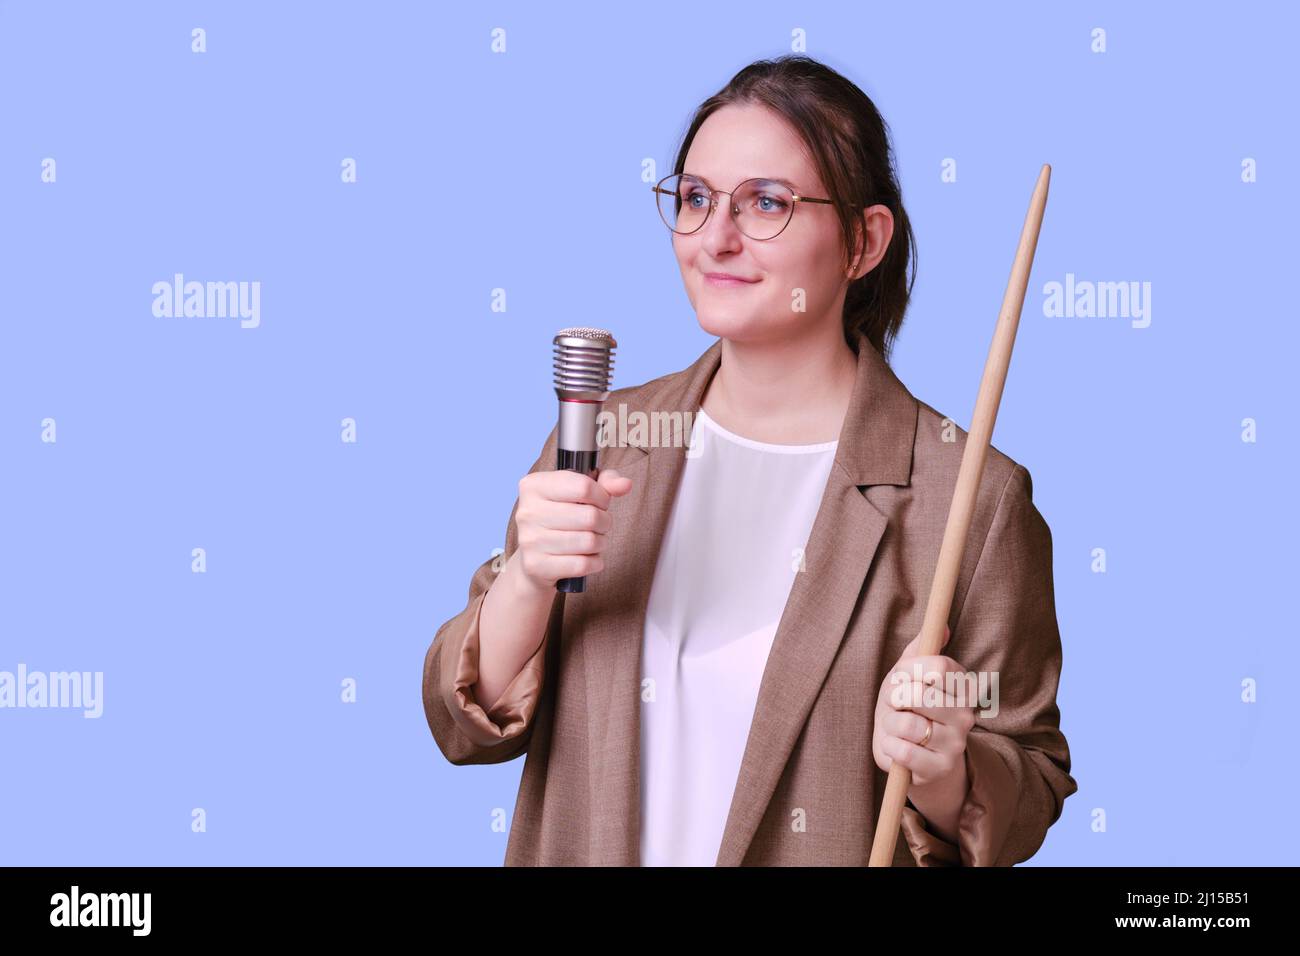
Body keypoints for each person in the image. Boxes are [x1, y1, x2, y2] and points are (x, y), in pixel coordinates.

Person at [423, 54, 1077, 866]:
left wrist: (945, 770)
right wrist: (523, 583)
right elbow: (463, 724)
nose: (716, 238)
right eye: (695, 199)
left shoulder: (970, 496)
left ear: (865, 242)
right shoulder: (603, 436)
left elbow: (1029, 786)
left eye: (766, 202)